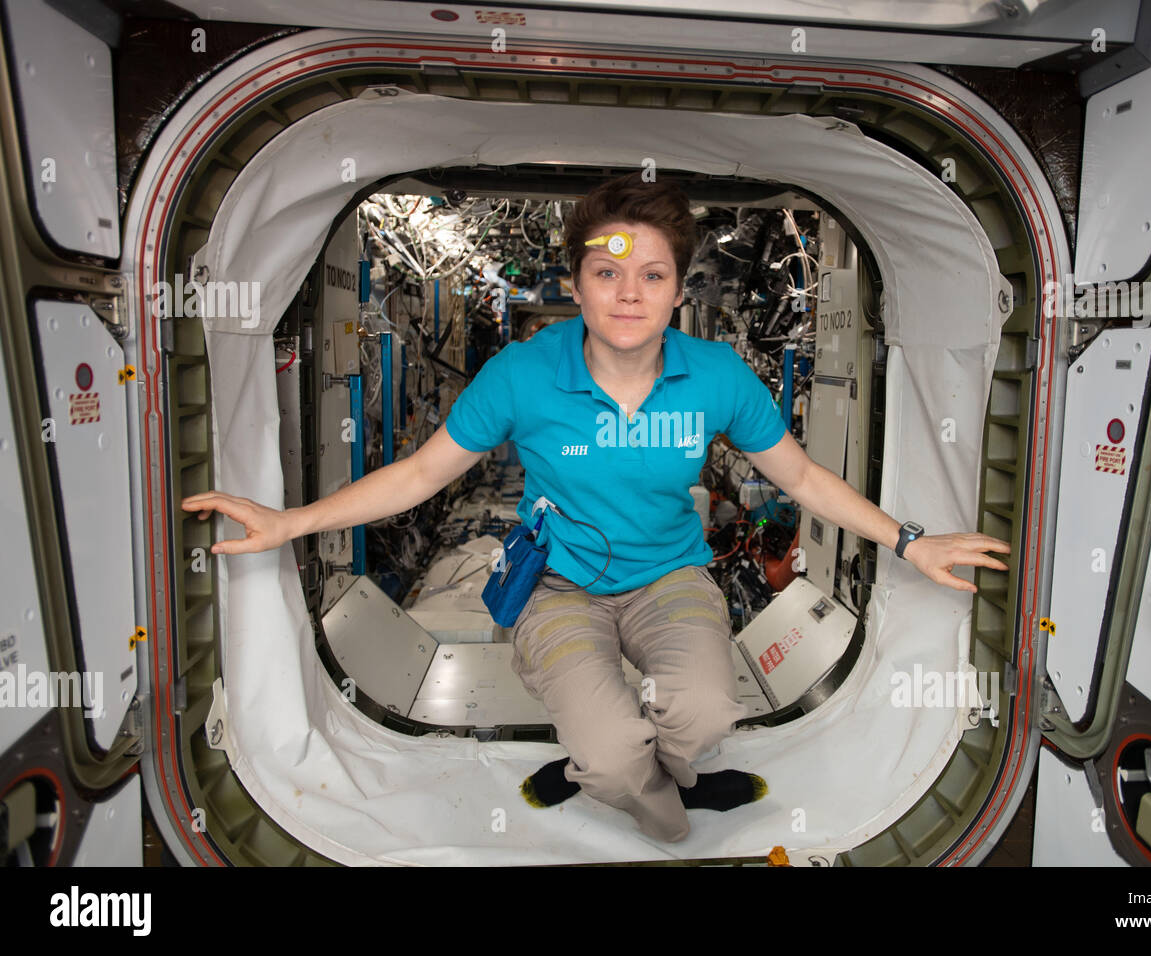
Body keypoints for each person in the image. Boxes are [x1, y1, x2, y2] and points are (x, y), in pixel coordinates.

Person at [181, 171, 1011, 844]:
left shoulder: (717, 376)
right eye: (606, 272)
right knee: (618, 755)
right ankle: (628, 781)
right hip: (560, 586)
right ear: (575, 281)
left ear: (679, 288)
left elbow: (802, 480)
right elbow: (417, 477)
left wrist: (911, 541)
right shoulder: (522, 374)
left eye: (651, 275)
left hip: (672, 578)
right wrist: (290, 523)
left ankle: (633, 767)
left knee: (708, 709)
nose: (627, 294)